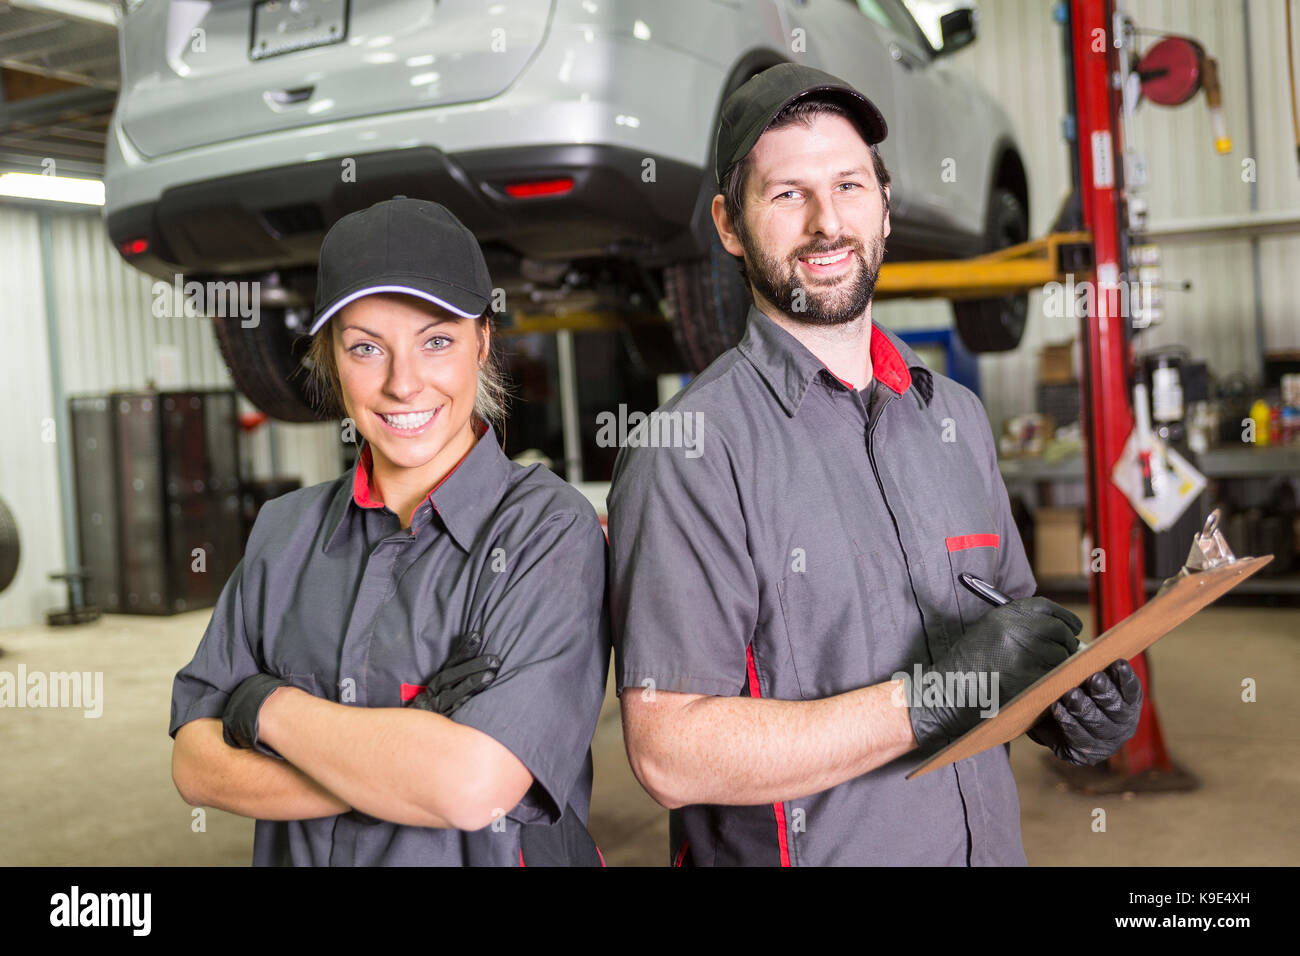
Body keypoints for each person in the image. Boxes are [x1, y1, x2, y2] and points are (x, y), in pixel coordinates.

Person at [607, 64, 1142, 866]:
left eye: (850, 185)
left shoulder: (954, 419)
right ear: (728, 223)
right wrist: (930, 699)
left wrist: (1059, 701)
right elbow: (670, 756)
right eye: (788, 194)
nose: (828, 223)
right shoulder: (692, 452)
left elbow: (1012, 632)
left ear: (884, 207)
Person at [169, 197, 610, 866]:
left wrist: (266, 708)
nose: (404, 384)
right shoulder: (283, 532)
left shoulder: (546, 532)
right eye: (367, 348)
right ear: (332, 360)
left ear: (482, 343)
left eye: (436, 341)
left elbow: (471, 788)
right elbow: (197, 765)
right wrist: (409, 746)